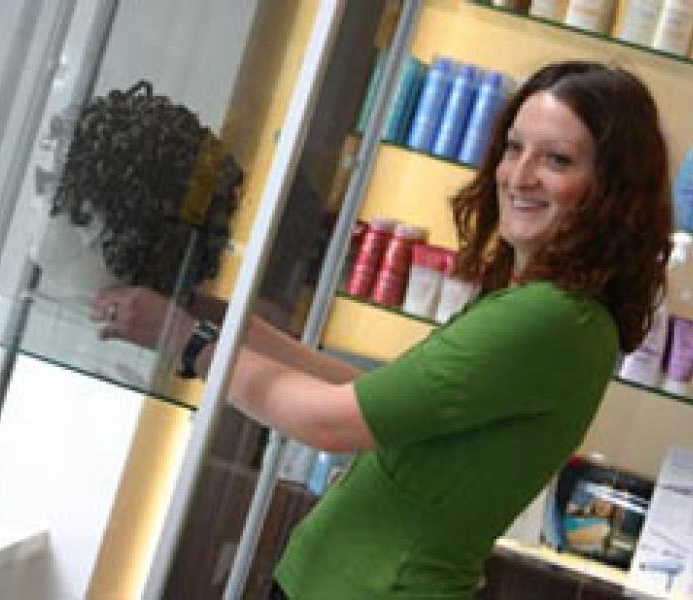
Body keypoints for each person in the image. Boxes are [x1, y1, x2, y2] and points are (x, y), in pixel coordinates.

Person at [91, 61, 672, 599]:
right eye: (514, 148)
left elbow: (330, 420)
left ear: (611, 190)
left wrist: (187, 342)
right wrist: (220, 319)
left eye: (557, 160)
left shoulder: (549, 318)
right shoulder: (547, 310)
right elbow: (376, 400)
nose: (518, 176)